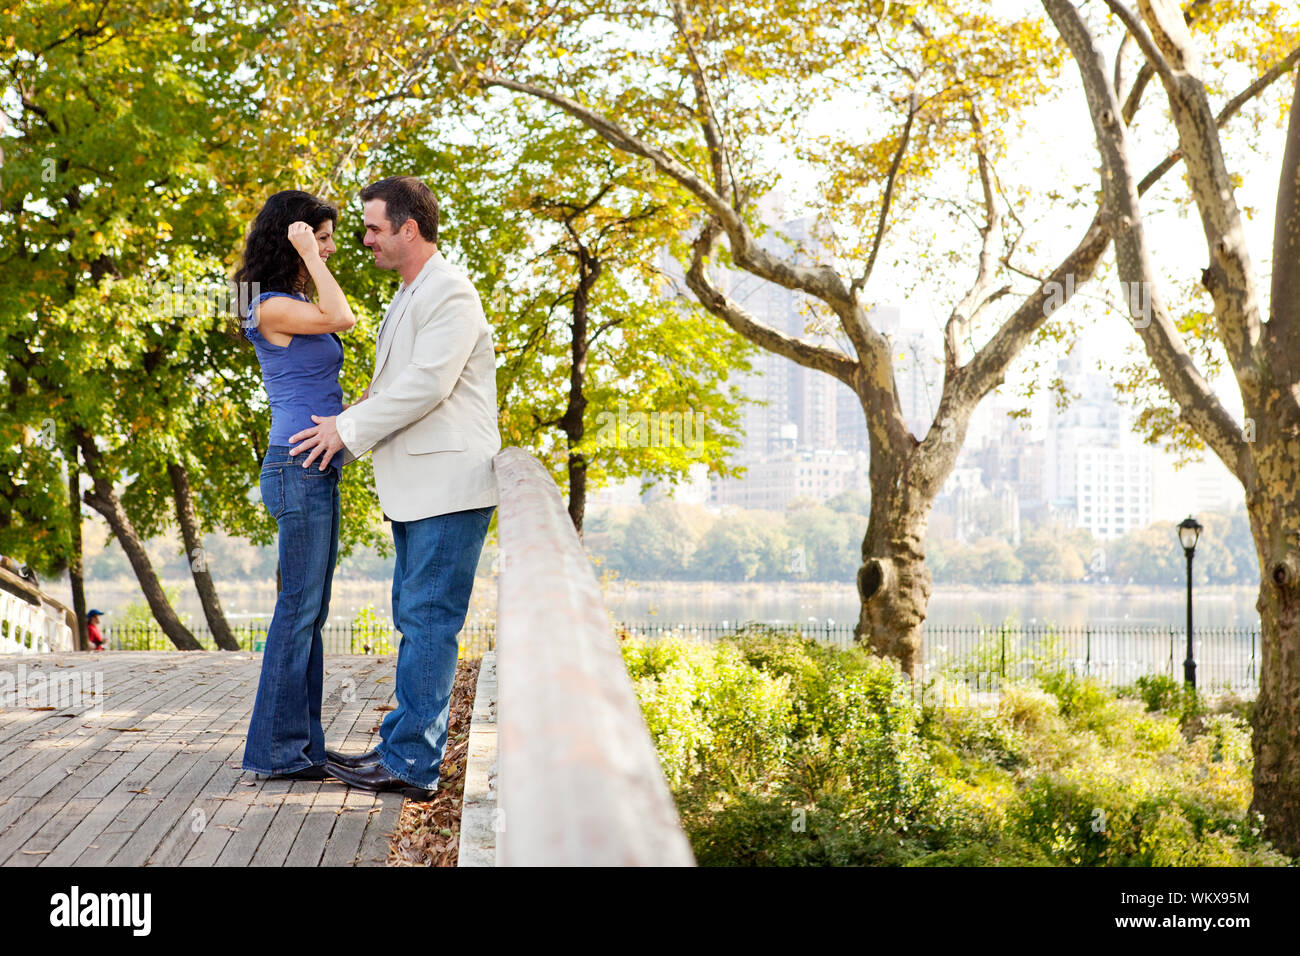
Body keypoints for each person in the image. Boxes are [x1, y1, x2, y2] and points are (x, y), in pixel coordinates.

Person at [289, 176, 499, 799]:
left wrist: (345, 431)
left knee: (428, 622)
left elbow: (428, 385)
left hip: (449, 487)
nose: (365, 239)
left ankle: (412, 765)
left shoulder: (450, 291)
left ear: (410, 229)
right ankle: (400, 745)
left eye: (374, 228)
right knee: (415, 617)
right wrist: (352, 414)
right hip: (419, 486)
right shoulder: (410, 293)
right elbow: (396, 386)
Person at [233, 189, 357, 781]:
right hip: (294, 466)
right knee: (297, 609)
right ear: (293, 238)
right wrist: (311, 254)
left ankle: (303, 747)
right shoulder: (269, 306)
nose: (330, 248)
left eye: (327, 239)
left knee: (310, 610)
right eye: (320, 237)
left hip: (316, 465)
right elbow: (343, 317)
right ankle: (277, 752)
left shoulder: (295, 302)